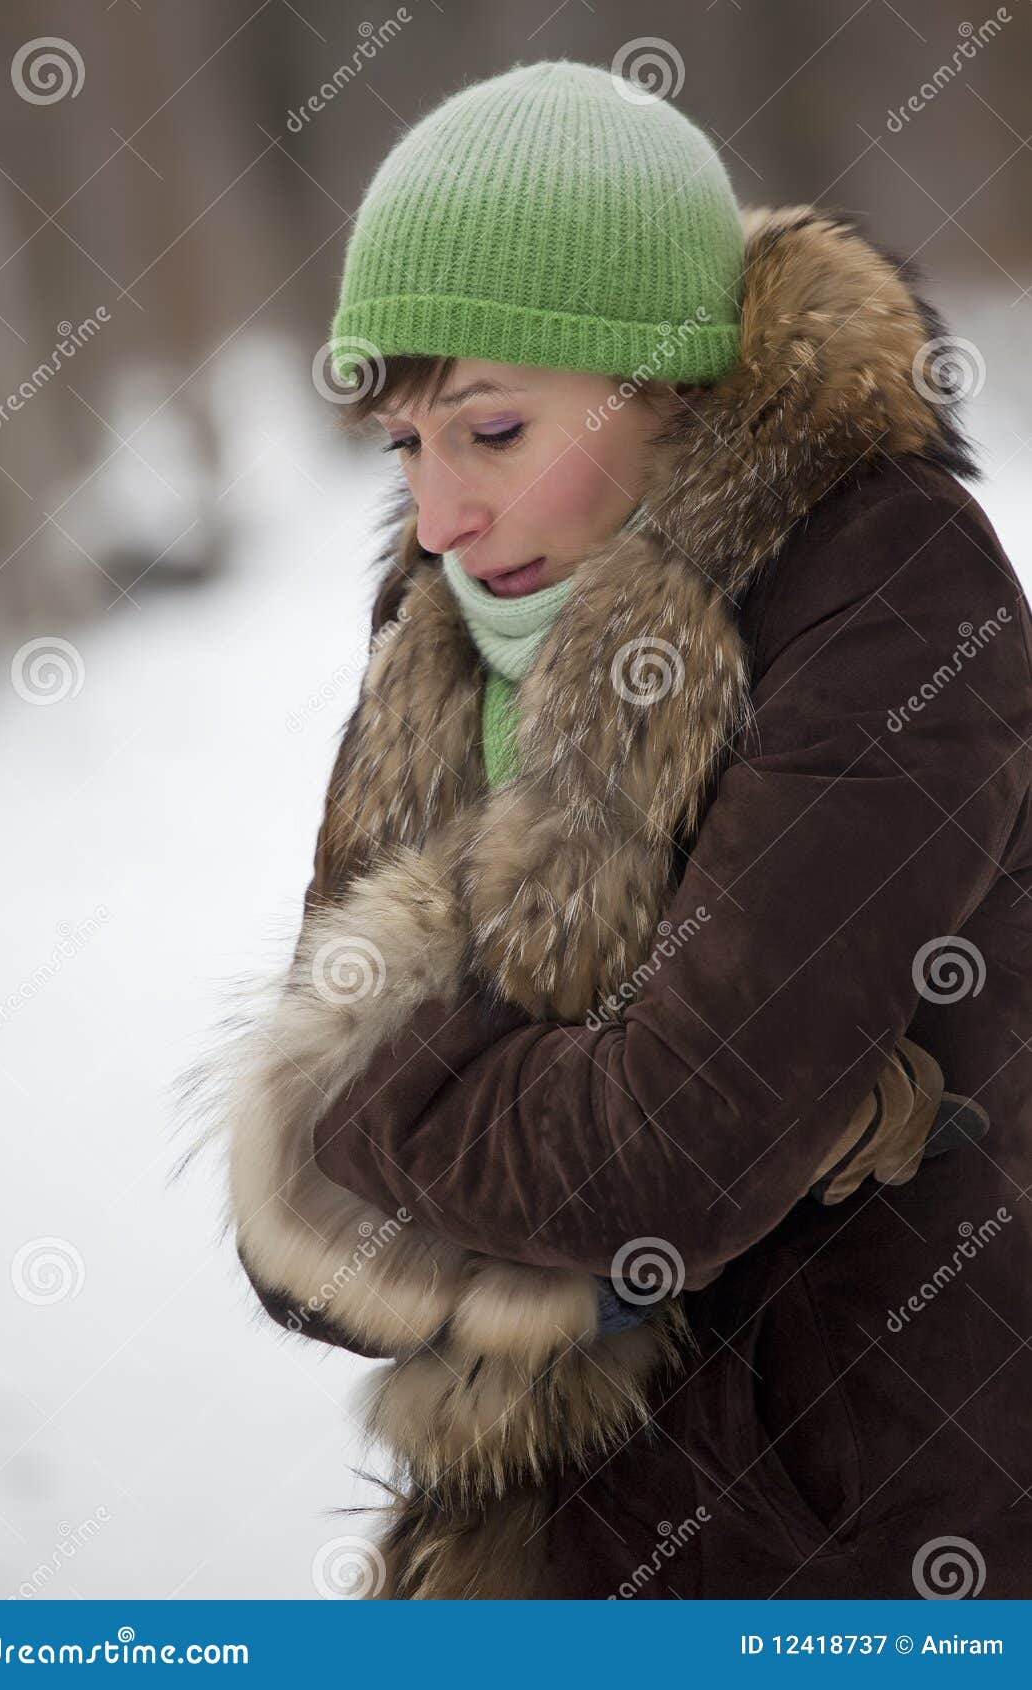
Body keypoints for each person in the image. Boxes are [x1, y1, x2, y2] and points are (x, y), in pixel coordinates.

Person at [205, 60, 1032, 1599]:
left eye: (492, 428)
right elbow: (293, 1250)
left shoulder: (891, 590)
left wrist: (350, 1094)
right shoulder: (446, 636)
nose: (439, 515)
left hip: (858, 1550)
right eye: (406, 444)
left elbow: (661, 1160)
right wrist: (560, 1122)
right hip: (527, 1552)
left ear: (668, 383)